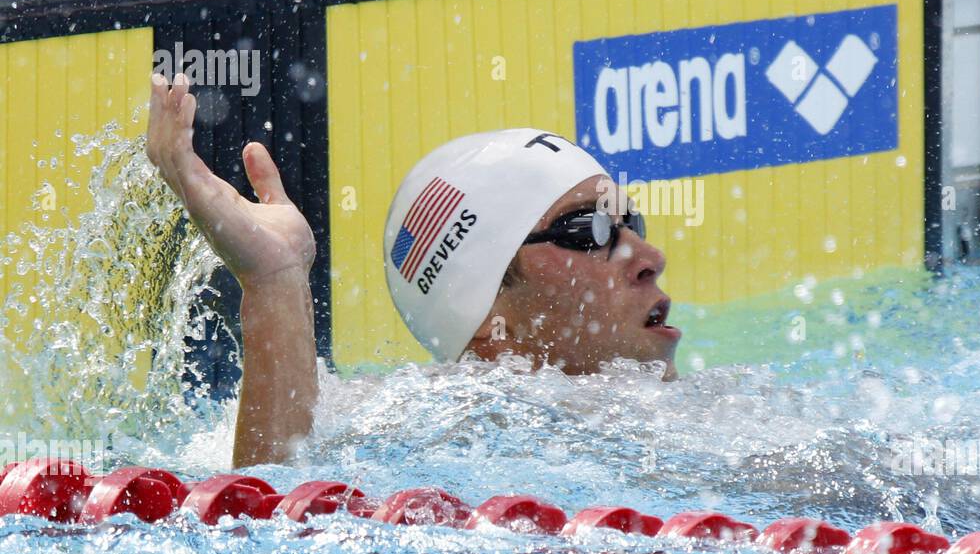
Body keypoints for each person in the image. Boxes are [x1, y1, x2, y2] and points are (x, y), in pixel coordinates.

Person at [146, 72, 680, 468]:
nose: (649, 259)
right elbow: (272, 509)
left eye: (629, 221)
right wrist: (275, 285)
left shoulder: (710, 406)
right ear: (489, 321)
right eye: (589, 232)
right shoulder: (449, 428)